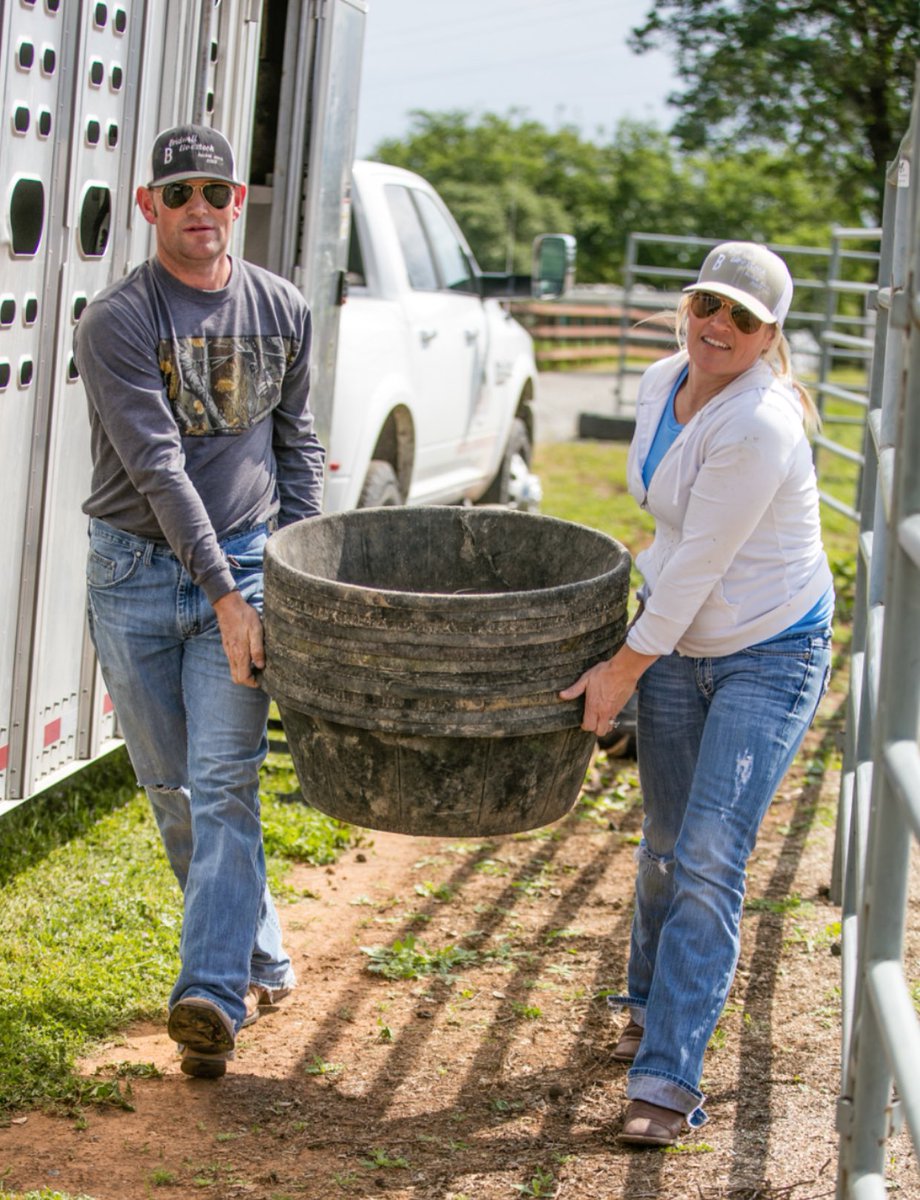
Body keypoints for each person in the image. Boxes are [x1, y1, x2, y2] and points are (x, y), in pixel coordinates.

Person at [561, 242, 834, 1145]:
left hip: (769, 647)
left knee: (712, 854)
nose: (717, 327)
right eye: (707, 305)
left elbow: (701, 565)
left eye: (743, 318)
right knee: (669, 843)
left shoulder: (762, 424)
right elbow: (667, 529)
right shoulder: (659, 382)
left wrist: (620, 671)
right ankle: (646, 996)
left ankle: (667, 1080)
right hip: (681, 638)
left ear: (770, 335)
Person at [74, 125, 326, 1079]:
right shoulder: (118, 320)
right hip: (135, 575)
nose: (199, 211)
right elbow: (158, 466)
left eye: (215, 193)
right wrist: (221, 592)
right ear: (149, 206)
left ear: (238, 202)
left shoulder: (284, 308)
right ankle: (258, 953)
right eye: (178, 194)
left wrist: (288, 575)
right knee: (175, 793)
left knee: (223, 786)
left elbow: (297, 446)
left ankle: (211, 996)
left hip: (251, 574)